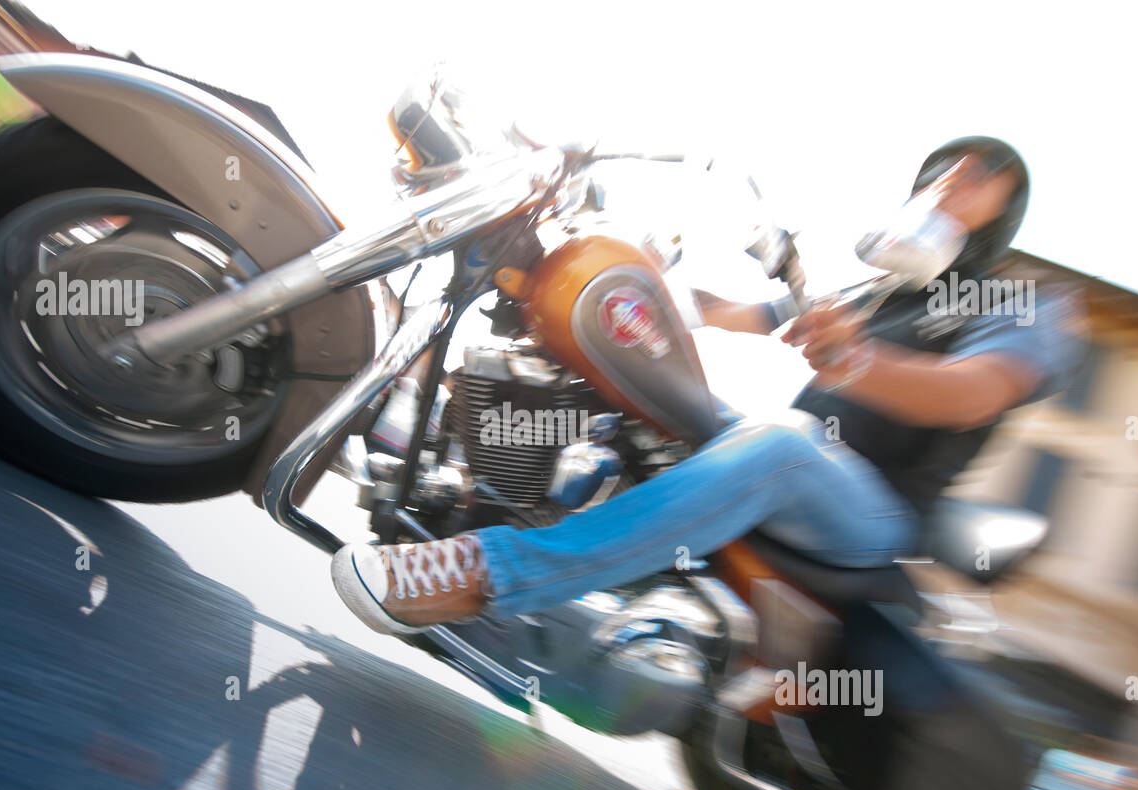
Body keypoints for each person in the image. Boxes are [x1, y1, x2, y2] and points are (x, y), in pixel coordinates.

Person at [332, 137, 1083, 635]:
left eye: (978, 176)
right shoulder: (880, 290)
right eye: (944, 169)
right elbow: (742, 313)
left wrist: (858, 361)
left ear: (1003, 216)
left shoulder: (1017, 302)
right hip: (784, 452)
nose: (950, 180)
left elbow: (975, 393)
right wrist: (641, 285)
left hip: (875, 518)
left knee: (783, 444)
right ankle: (451, 480)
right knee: (636, 374)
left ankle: (488, 574)